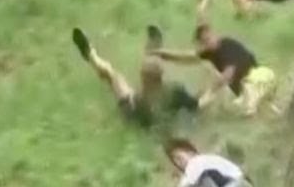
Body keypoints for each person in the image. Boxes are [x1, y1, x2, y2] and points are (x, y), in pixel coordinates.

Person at [70, 26, 200, 130]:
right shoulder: (174, 91)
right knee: (112, 76)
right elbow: (196, 106)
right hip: (137, 113)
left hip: (134, 112)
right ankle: (91, 55)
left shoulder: (172, 92)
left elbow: (195, 106)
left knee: (113, 75)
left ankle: (91, 55)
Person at [149, 23, 278, 116]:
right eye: (204, 42)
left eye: (209, 38)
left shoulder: (226, 45)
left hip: (259, 77)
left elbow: (228, 74)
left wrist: (207, 96)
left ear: (213, 34)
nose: (208, 43)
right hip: (251, 87)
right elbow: (186, 57)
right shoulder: (209, 53)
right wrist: (161, 53)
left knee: (246, 108)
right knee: (260, 112)